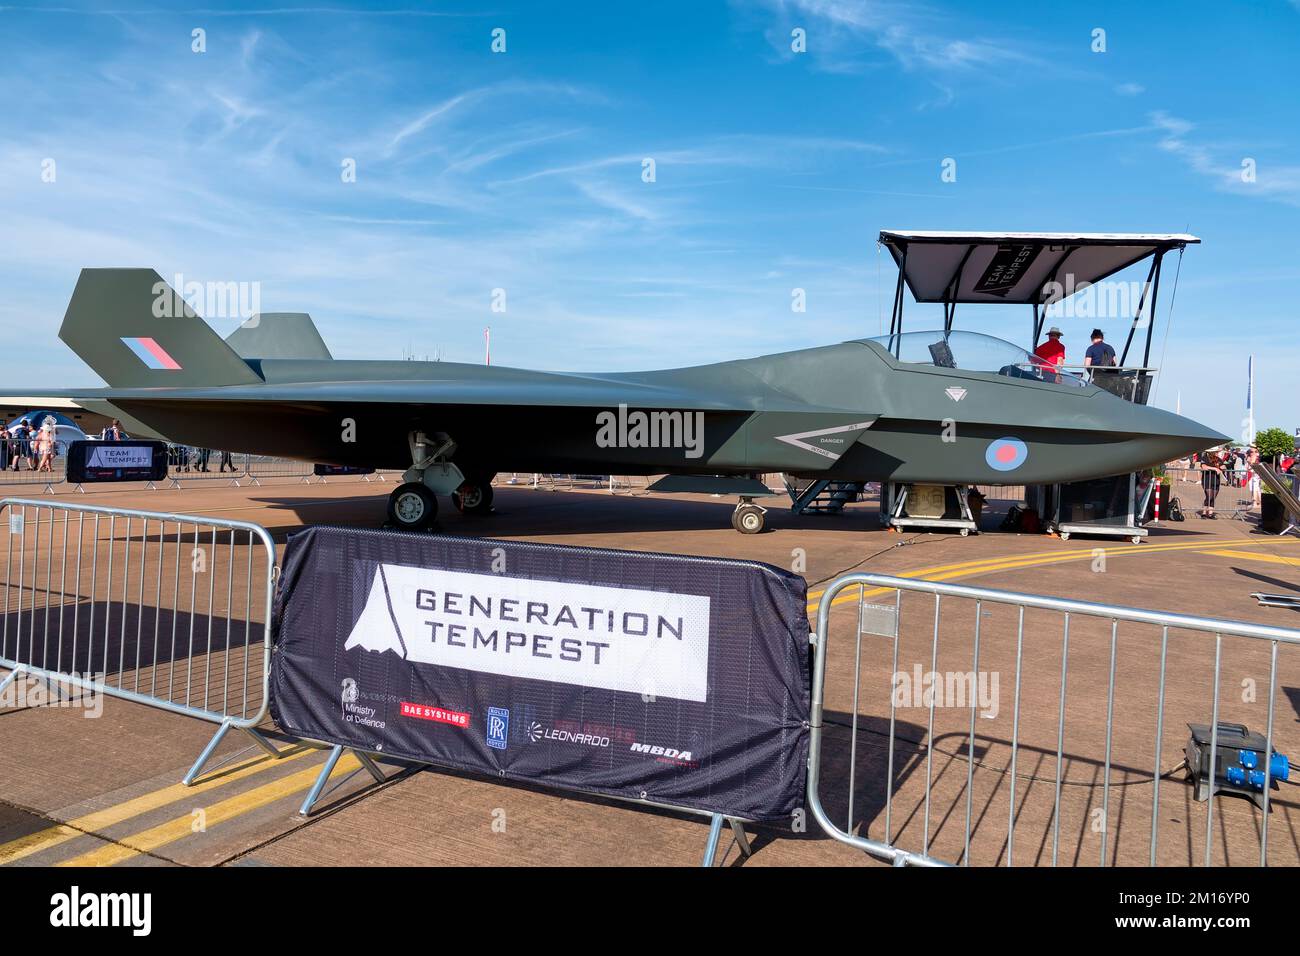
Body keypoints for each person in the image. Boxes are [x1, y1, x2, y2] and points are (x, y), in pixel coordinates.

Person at [1199, 447, 1226, 518]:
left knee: (1213, 497)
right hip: (1207, 479)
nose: (1216, 453)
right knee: (1209, 496)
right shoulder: (1204, 458)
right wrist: (1215, 468)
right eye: (1215, 451)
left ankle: (1210, 513)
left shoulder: (1218, 459)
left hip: (1216, 480)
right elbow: (1204, 467)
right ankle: (1204, 512)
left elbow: (1223, 467)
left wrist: (1222, 467)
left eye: (1216, 452)